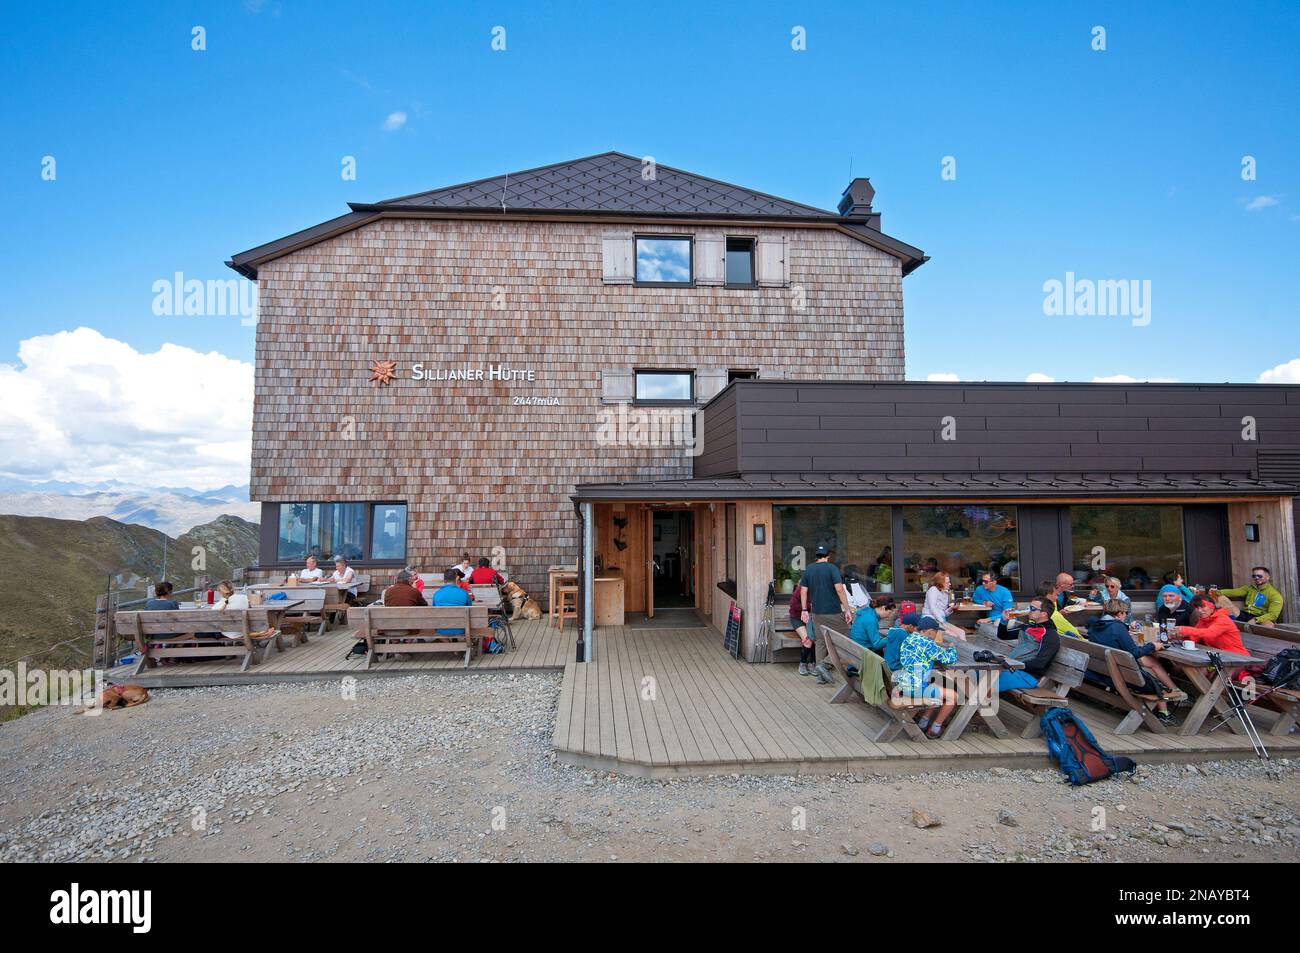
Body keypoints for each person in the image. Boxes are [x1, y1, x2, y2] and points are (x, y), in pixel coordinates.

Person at [1085, 599, 1182, 724]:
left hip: (1105, 672)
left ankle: (1168, 704)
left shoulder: (1096, 626)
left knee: (1150, 664)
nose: (1126, 615)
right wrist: (1152, 646)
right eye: (1125, 613)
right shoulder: (1117, 628)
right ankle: (1166, 708)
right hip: (1123, 677)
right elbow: (1134, 652)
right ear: (1119, 614)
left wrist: (1126, 627)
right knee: (1151, 673)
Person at [892, 616, 959, 738]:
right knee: (954, 696)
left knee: (935, 686)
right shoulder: (928, 644)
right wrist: (952, 648)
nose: (937, 633)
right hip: (915, 689)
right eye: (936, 631)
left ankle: (923, 723)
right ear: (929, 631)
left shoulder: (909, 638)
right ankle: (935, 729)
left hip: (903, 684)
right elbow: (950, 659)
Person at [798, 545, 855, 684]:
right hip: (833, 612)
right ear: (828, 556)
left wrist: (804, 610)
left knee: (820, 642)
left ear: (816, 556)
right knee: (845, 640)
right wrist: (847, 609)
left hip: (816, 612)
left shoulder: (809, 570)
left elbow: (803, 591)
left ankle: (820, 675)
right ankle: (825, 665)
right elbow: (840, 589)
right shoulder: (832, 568)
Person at [995, 597, 1060, 692]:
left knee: (986, 682)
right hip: (1012, 669)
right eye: (1029, 607)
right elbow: (1003, 635)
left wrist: (1013, 665)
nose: (1029, 611)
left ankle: (976, 703)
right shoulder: (1028, 627)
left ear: (1044, 614)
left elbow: (1040, 663)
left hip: (1027, 676)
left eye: (1032, 609)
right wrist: (1004, 620)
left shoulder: (1050, 635)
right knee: (976, 674)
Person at [1175, 594, 1248, 655]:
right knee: (1180, 666)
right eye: (1197, 607)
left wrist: (1184, 630)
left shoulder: (1223, 619)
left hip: (1239, 658)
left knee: (1191, 668)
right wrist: (1178, 636)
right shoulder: (1203, 620)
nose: (1200, 610)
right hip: (1221, 657)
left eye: (1203, 607)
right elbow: (1194, 638)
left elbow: (1210, 633)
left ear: (1212, 606)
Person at [1218, 567, 1284, 626]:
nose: (1256, 578)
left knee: (1268, 625)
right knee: (1220, 598)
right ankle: (1231, 623)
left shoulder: (1275, 595)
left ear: (1268, 577)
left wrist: (1256, 620)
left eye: (1260, 576)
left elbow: (1273, 615)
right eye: (1254, 576)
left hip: (1260, 618)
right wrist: (1216, 592)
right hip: (1244, 614)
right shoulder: (1249, 588)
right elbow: (1233, 592)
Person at [923, 571, 967, 640]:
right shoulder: (933, 590)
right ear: (940, 583)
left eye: (949, 582)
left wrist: (951, 609)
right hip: (931, 620)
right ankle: (954, 650)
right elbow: (933, 608)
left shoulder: (945, 593)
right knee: (954, 636)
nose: (950, 584)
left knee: (962, 632)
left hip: (941, 620)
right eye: (947, 582)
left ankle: (965, 650)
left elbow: (943, 613)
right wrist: (942, 622)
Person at [432, 568, 472, 635]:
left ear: (444, 580)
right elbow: (470, 609)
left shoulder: (437, 594)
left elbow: (434, 612)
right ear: (456, 579)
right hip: (461, 628)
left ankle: (446, 642)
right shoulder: (464, 593)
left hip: (442, 629)